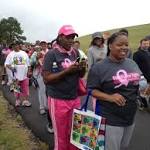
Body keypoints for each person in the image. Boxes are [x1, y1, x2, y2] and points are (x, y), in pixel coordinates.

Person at [87, 32, 150, 150]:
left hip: (130, 115)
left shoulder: (131, 63)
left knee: (124, 146)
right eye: (120, 44)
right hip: (111, 118)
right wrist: (110, 97)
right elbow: (90, 90)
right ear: (110, 46)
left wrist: (144, 86)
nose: (124, 48)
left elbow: (140, 79)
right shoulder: (99, 67)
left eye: (126, 44)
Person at [42, 25, 86, 150]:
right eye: (68, 37)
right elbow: (47, 79)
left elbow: (80, 75)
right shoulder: (51, 54)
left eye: (73, 37)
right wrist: (67, 71)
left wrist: (82, 68)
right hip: (58, 99)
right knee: (61, 136)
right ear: (60, 37)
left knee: (75, 133)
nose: (71, 40)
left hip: (74, 98)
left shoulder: (75, 52)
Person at [5, 41, 31, 107]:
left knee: (25, 88)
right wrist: (11, 68)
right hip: (15, 76)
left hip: (24, 75)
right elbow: (7, 64)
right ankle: (17, 100)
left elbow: (28, 64)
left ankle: (25, 101)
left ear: (19, 45)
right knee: (16, 89)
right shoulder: (10, 54)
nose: (15, 46)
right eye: (13, 45)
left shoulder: (24, 53)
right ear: (12, 46)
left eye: (16, 45)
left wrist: (29, 71)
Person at [133, 38, 150, 109]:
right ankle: (142, 103)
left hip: (149, 76)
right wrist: (141, 77)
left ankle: (144, 103)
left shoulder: (148, 52)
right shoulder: (137, 54)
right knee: (143, 93)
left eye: (147, 44)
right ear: (140, 44)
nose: (146, 45)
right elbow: (135, 66)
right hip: (143, 78)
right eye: (144, 44)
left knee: (147, 93)